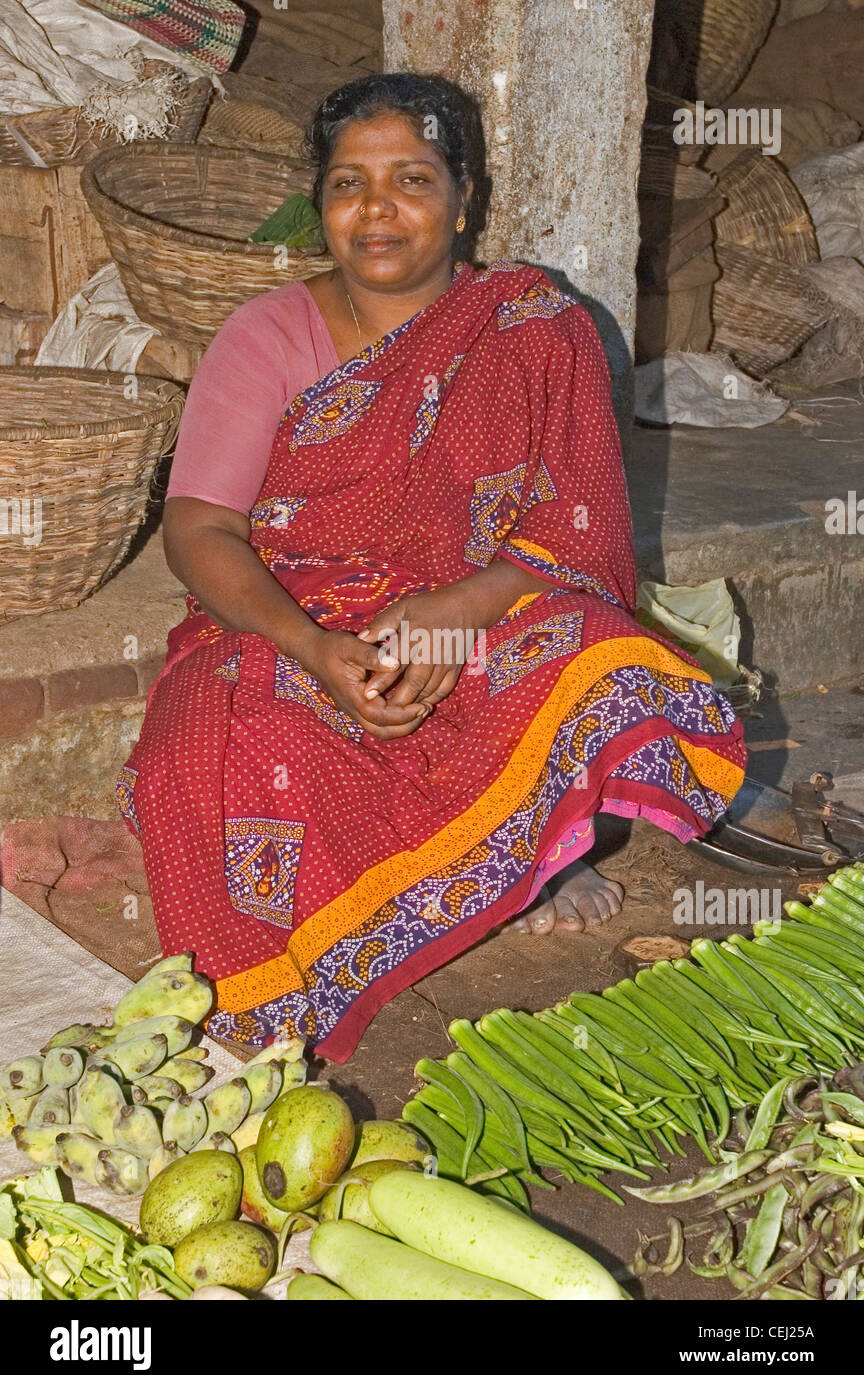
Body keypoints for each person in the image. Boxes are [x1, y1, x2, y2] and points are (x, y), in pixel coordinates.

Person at [117, 72, 746, 1061]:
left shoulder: (537, 330)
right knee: (206, 742)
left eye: (411, 179)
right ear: (319, 201)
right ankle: (368, 927)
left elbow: (572, 535)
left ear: (466, 195)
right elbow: (200, 528)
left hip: (478, 607)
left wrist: (451, 614)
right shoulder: (265, 335)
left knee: (600, 658)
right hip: (296, 619)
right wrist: (317, 647)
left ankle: (534, 856)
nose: (376, 210)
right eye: (346, 183)